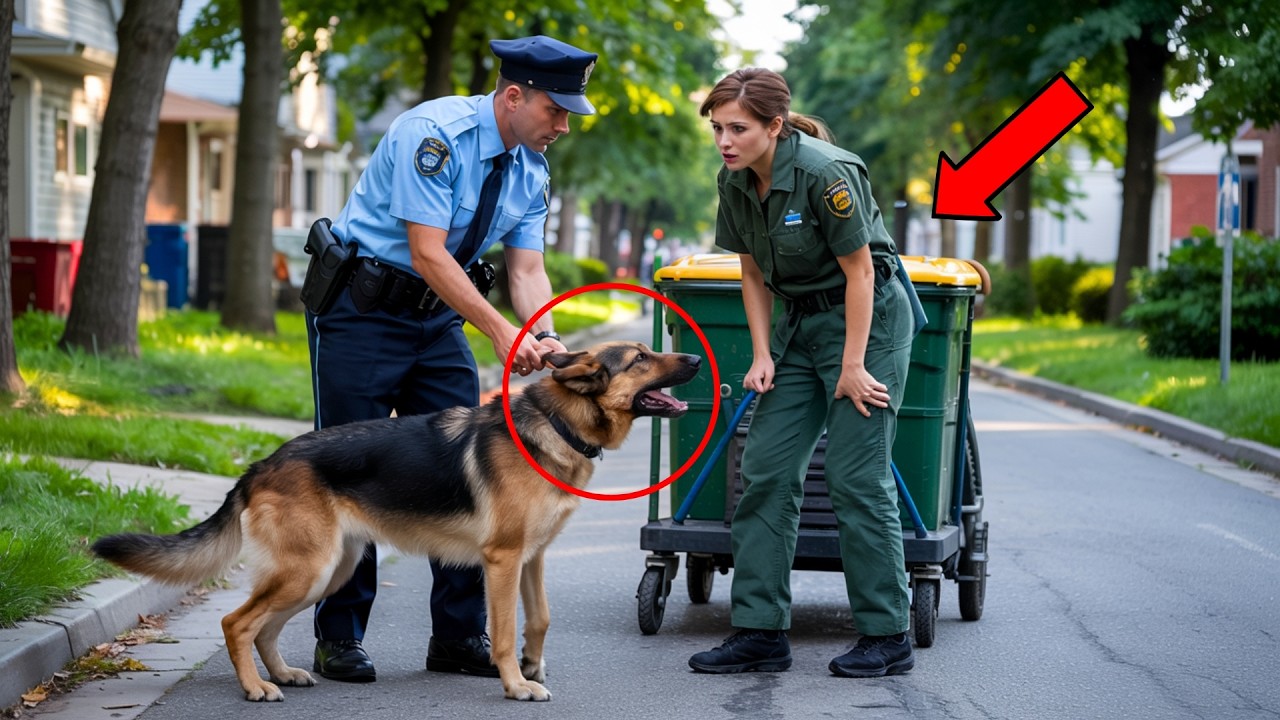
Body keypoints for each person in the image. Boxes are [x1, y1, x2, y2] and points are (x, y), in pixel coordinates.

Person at [303, 35, 598, 683]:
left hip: (437, 321)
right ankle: (339, 636)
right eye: (556, 109)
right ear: (514, 95)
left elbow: (527, 269)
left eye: (570, 113)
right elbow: (429, 251)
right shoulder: (432, 136)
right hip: (363, 311)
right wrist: (498, 332)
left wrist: (541, 336)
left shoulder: (531, 169)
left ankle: (459, 638)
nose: (563, 124)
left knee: (468, 468)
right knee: (351, 466)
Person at [687, 68, 917, 678]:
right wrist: (761, 354)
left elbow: (862, 273)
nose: (725, 141)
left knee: (855, 475)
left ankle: (887, 634)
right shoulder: (734, 181)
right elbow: (753, 273)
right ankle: (760, 630)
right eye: (717, 129)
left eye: (737, 128)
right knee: (764, 469)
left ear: (775, 126)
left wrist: (852, 366)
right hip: (798, 324)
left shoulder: (825, 174)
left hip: (868, 323)